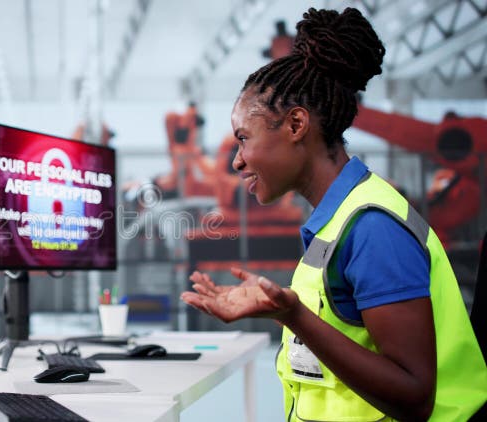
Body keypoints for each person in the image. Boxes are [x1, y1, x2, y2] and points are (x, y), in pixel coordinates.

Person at [180, 7, 487, 421]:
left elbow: (414, 397)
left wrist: (294, 317)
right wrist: (284, 315)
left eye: (243, 139)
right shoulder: (338, 220)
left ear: (295, 125)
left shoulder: (373, 228)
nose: (236, 161)